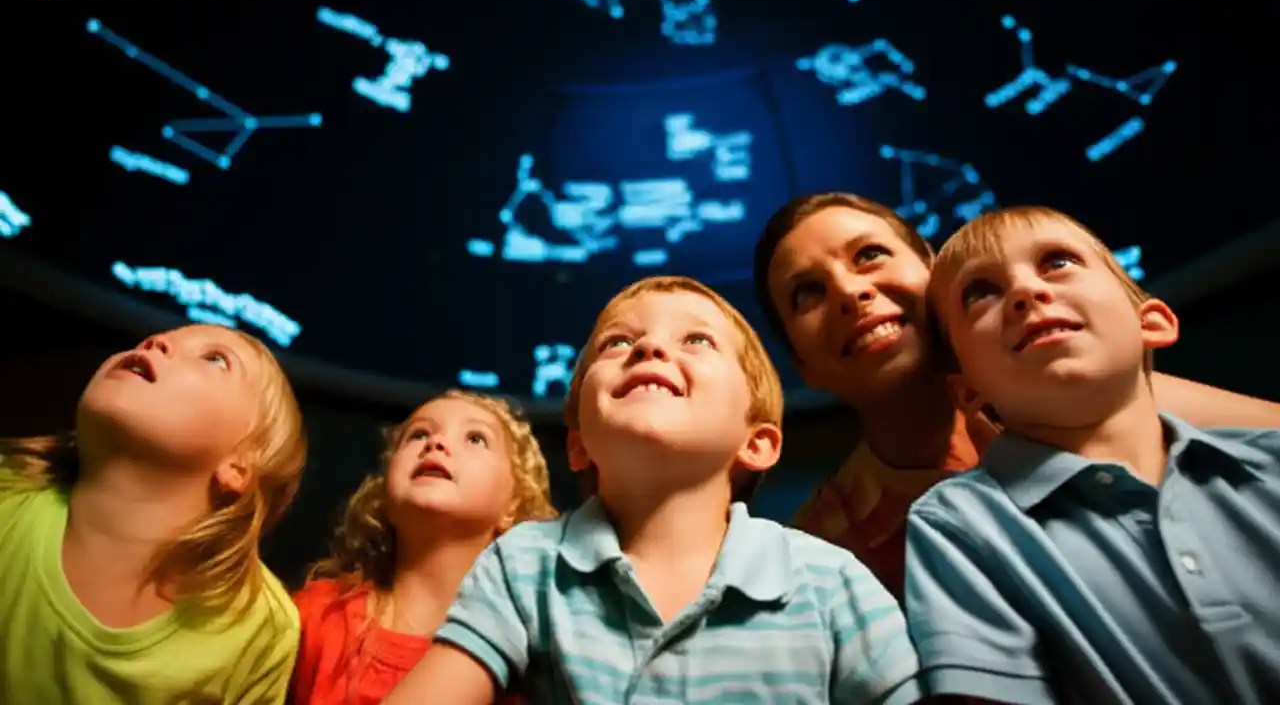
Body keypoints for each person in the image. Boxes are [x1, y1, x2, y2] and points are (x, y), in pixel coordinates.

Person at [385, 275, 923, 704]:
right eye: (617, 342)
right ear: (579, 446)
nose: (648, 347)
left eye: (697, 340)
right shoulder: (524, 565)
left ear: (757, 442)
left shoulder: (833, 583)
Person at [754, 192, 1280, 597]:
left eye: (869, 255)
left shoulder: (1099, 395)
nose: (850, 291)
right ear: (802, 368)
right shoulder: (820, 550)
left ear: (935, 270)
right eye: (807, 293)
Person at [903, 205, 1280, 702]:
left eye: (1057, 262)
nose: (1024, 291)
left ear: (1153, 322)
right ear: (967, 389)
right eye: (981, 293)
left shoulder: (1271, 460)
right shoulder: (960, 523)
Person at [0, 324, 307, 703]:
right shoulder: (7, 498)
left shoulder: (261, 629)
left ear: (241, 466)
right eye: (159, 338)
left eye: (215, 359)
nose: (156, 341)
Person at [290, 390, 557, 705]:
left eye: (475, 439)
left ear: (514, 503)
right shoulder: (317, 615)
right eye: (418, 435)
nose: (436, 443)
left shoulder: (532, 660)